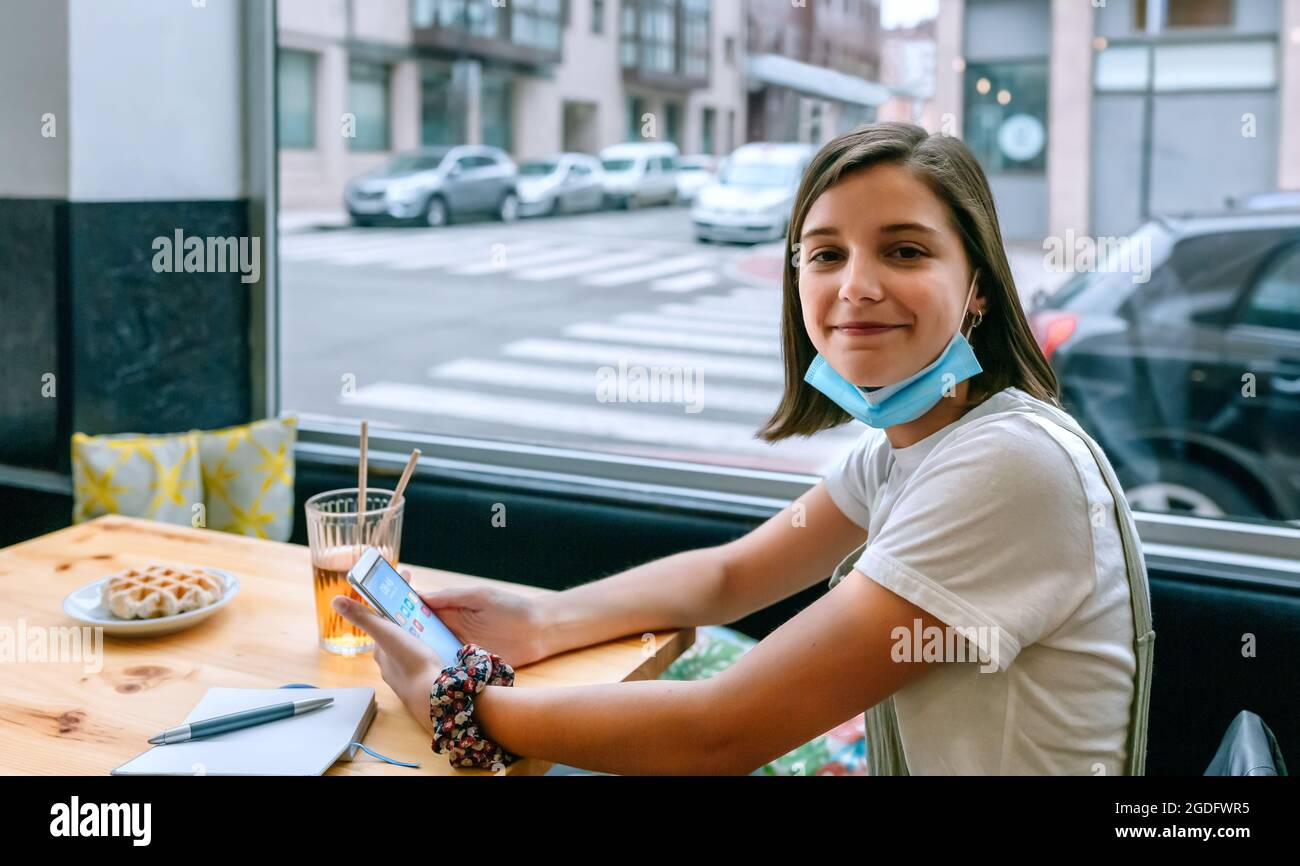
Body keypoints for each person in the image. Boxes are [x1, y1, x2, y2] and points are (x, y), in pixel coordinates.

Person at [333, 121, 1152, 775]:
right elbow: (731, 576)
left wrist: (461, 705)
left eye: (904, 250)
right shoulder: (910, 446)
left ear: (977, 289)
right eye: (826, 254)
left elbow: (720, 733)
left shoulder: (1008, 464)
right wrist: (541, 621)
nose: (854, 286)